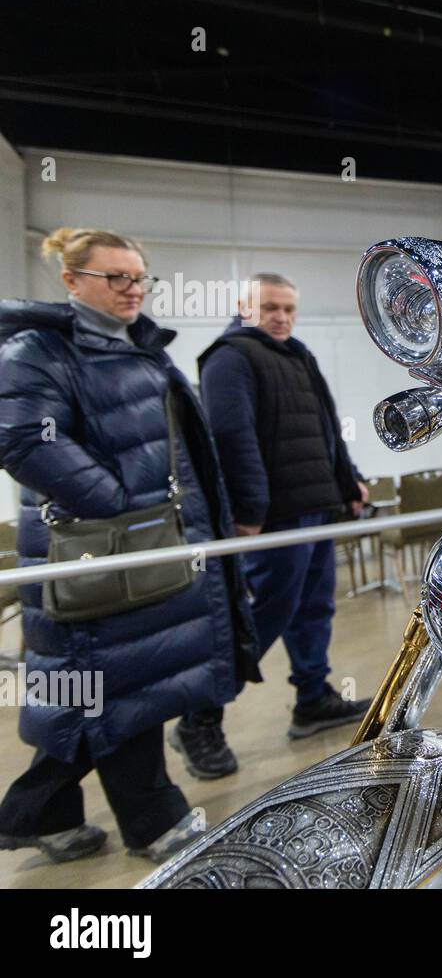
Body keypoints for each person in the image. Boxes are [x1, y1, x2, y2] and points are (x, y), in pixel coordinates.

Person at [0, 228, 258, 864]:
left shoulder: (137, 348)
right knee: (123, 684)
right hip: (99, 553)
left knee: (113, 683)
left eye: (140, 277)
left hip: (149, 549)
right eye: (115, 277)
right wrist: (117, 502)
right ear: (71, 280)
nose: (132, 289)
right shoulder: (40, 349)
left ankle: (37, 815)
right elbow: (24, 440)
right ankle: (154, 823)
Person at [171, 273, 369, 780]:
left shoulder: (298, 354)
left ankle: (312, 699)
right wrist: (250, 513)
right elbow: (232, 437)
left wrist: (350, 483)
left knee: (314, 607)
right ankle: (200, 717)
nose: (281, 316)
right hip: (273, 518)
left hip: (317, 506)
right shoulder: (228, 357)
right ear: (244, 307)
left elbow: (326, 426)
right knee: (263, 618)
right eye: (270, 307)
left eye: (288, 308)